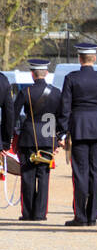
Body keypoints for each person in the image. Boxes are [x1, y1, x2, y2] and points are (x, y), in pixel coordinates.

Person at [57, 40, 97, 227]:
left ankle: (80, 216)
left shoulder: (71, 78)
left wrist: (62, 133)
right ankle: (93, 216)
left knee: (80, 173)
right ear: (94, 58)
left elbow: (65, 108)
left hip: (79, 127)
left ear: (79, 58)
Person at [13, 57, 59, 221]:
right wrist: (58, 138)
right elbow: (60, 117)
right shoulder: (55, 92)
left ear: (32, 74)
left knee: (28, 176)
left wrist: (15, 132)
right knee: (44, 177)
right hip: (47, 136)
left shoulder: (25, 92)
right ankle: (40, 213)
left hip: (29, 135)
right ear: (46, 73)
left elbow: (14, 114)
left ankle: (27, 212)